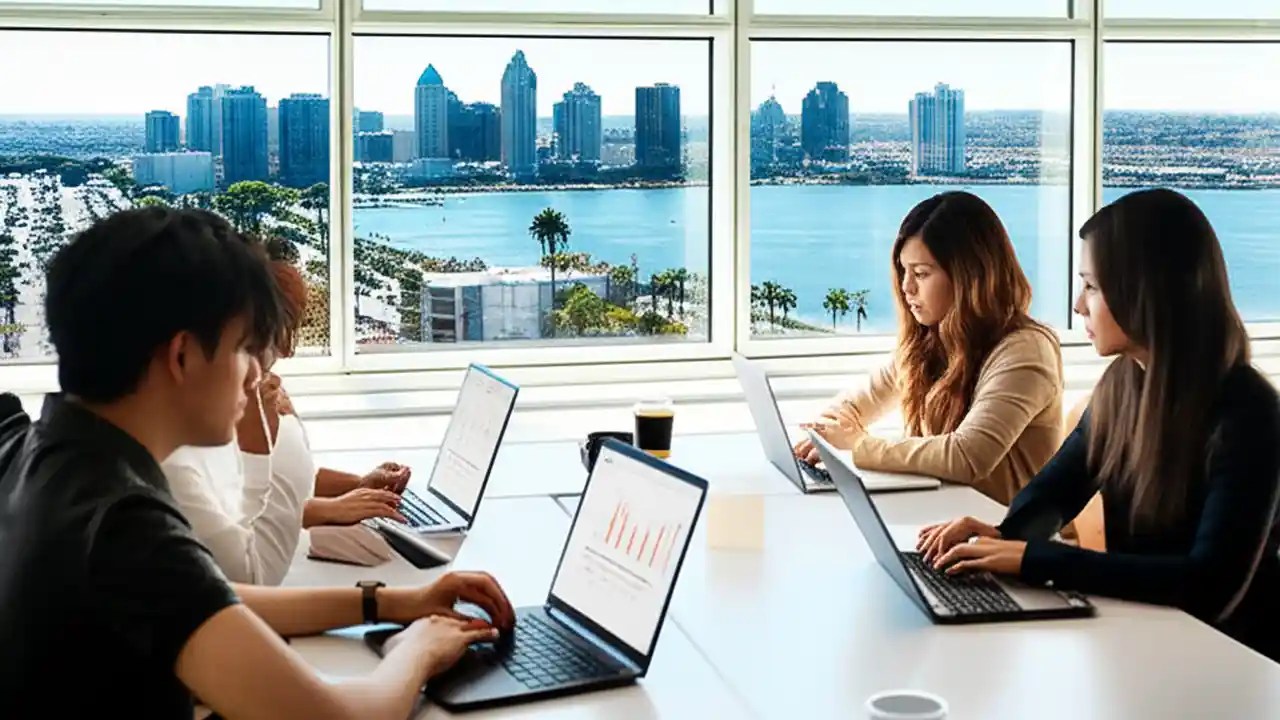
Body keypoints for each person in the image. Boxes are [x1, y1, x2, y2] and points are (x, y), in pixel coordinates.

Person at [0, 207, 516, 718]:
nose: (255, 374)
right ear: (182, 356)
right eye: (245, 348)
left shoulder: (40, 453)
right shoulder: (124, 530)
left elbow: (212, 596)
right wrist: (417, 650)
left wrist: (389, 602)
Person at [918, 189, 1280, 663]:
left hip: (1231, 665)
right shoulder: (1122, 385)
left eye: (1091, 286)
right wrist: (1005, 536)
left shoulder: (1250, 413)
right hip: (1150, 644)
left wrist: (1035, 558)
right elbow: (1057, 492)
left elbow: (1209, 586)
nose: (1078, 306)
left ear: (1145, 291)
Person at [162, 240, 411, 585]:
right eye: (277, 330)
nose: (287, 350)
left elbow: (282, 483)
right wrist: (328, 510)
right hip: (262, 580)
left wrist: (357, 484)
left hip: (277, 570)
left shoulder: (261, 393)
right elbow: (230, 520)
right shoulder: (212, 418)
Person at [797, 191, 1064, 505]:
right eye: (904, 271)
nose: (906, 287)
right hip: (946, 520)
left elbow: (967, 456)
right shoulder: (931, 342)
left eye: (921, 273)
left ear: (969, 276)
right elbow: (852, 407)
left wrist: (857, 445)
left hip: (1004, 532)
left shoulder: (1026, 351)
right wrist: (825, 433)